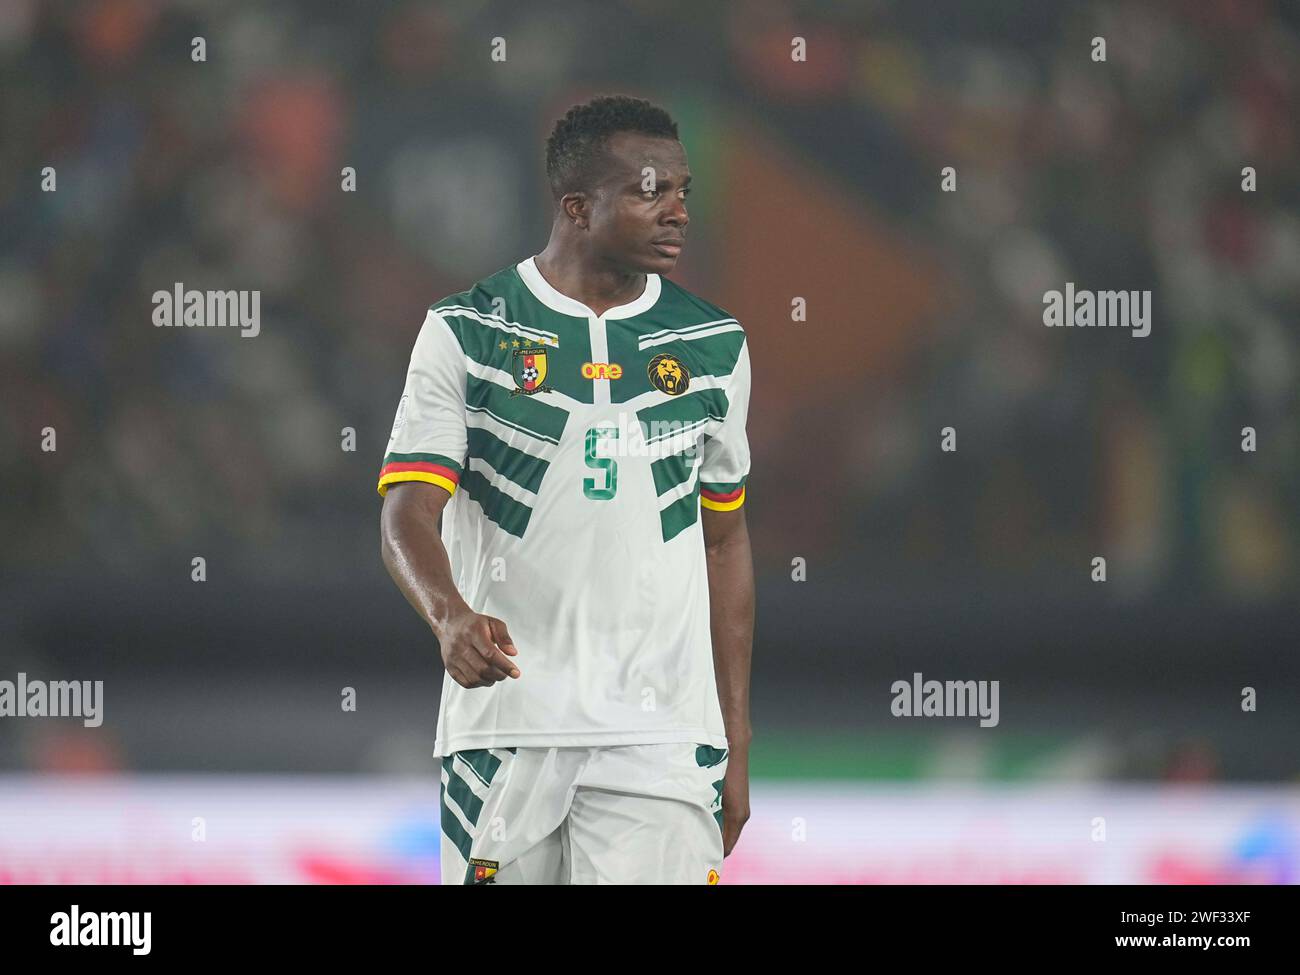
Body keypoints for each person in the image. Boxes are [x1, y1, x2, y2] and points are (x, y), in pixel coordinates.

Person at [378, 94, 754, 884]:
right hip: (504, 732)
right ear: (577, 207)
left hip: (660, 741)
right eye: (653, 191)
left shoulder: (715, 347)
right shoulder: (467, 331)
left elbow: (724, 542)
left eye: (684, 191)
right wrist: (449, 617)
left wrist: (736, 741)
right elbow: (407, 513)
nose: (678, 211)